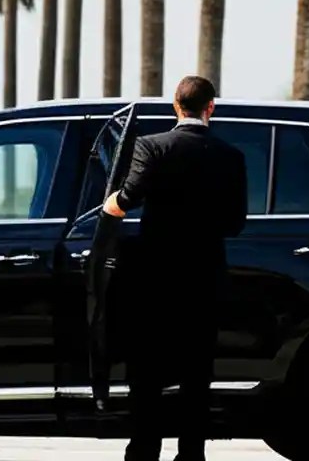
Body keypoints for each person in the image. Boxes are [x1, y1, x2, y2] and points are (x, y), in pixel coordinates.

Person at [103, 75, 248, 461]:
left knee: (146, 372)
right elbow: (235, 223)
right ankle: (191, 454)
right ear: (210, 107)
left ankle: (144, 450)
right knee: (197, 375)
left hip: (155, 281)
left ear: (175, 105)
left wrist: (111, 204)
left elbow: (129, 197)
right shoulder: (231, 156)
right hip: (204, 280)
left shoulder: (152, 146)